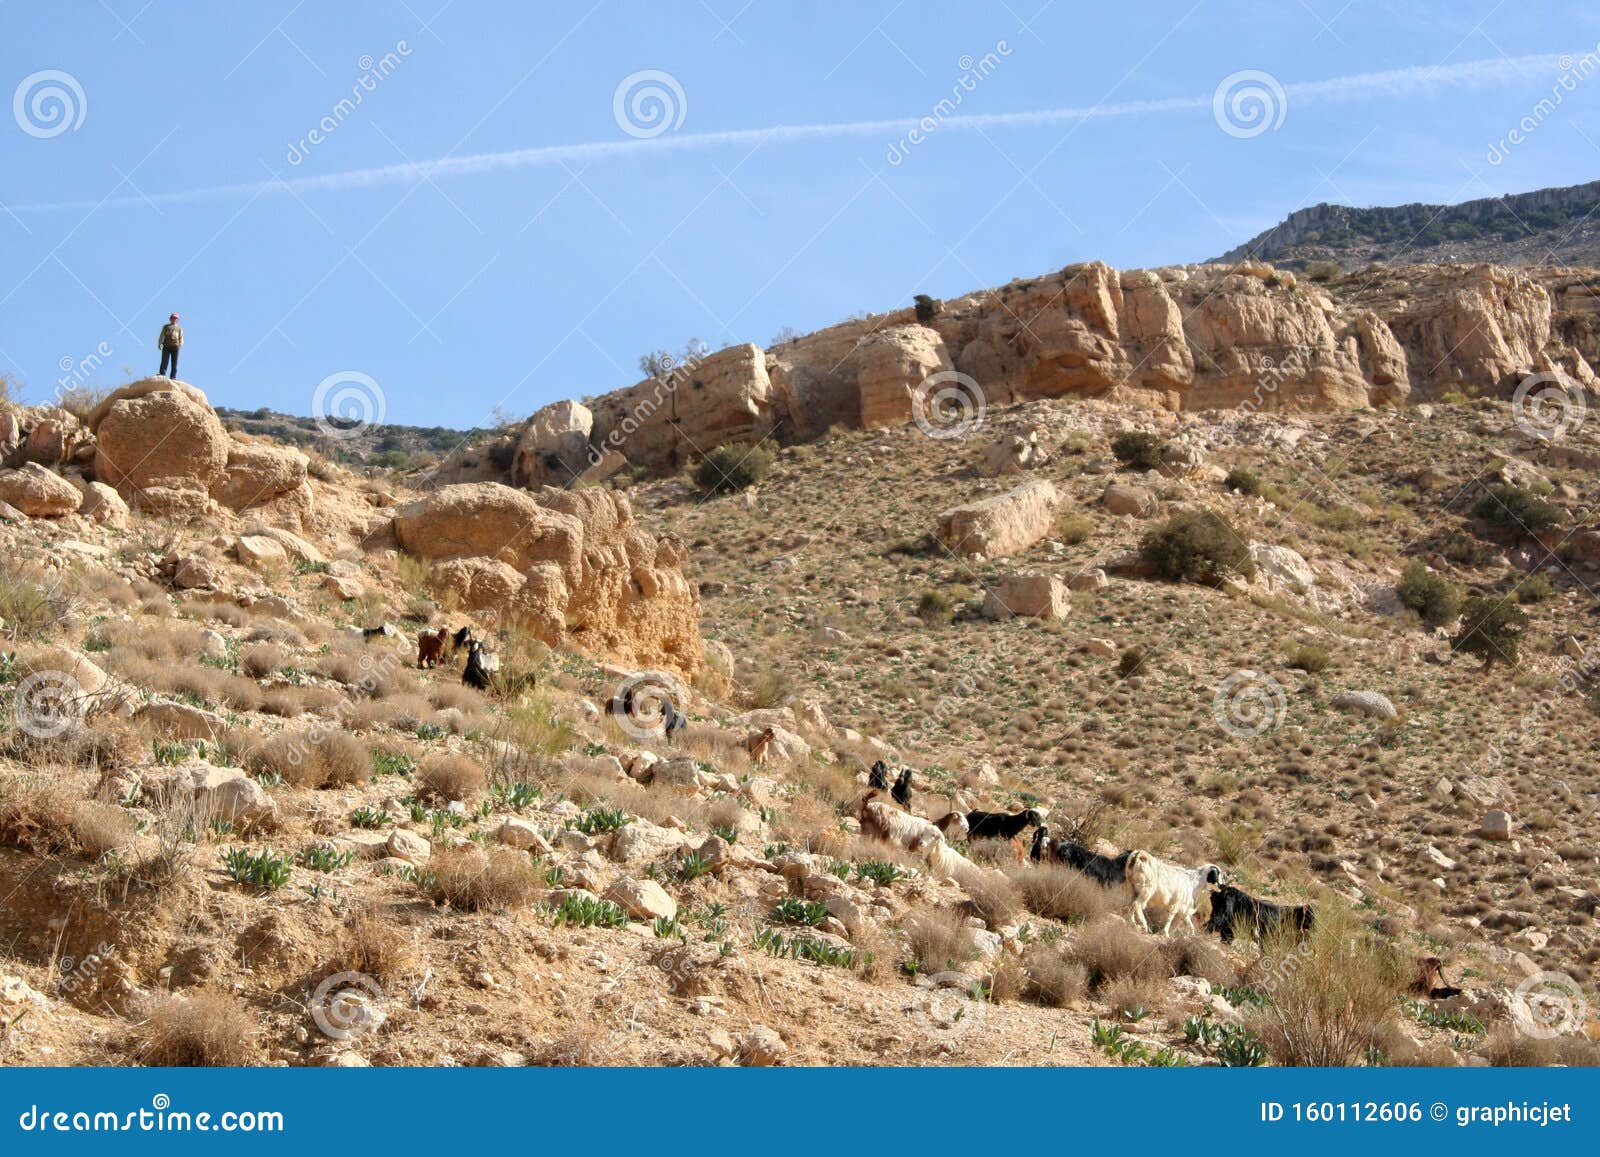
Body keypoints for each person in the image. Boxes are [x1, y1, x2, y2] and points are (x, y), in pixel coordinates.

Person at [158, 312, 183, 378]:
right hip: (166, 345)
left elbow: (181, 337)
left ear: (177, 320)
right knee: (164, 361)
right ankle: (162, 374)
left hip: (175, 346)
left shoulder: (179, 328)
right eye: (173, 318)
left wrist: (180, 345)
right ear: (170, 319)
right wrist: (160, 343)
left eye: (175, 318)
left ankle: (173, 377)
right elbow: (162, 335)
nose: (174, 319)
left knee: (174, 363)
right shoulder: (166, 327)